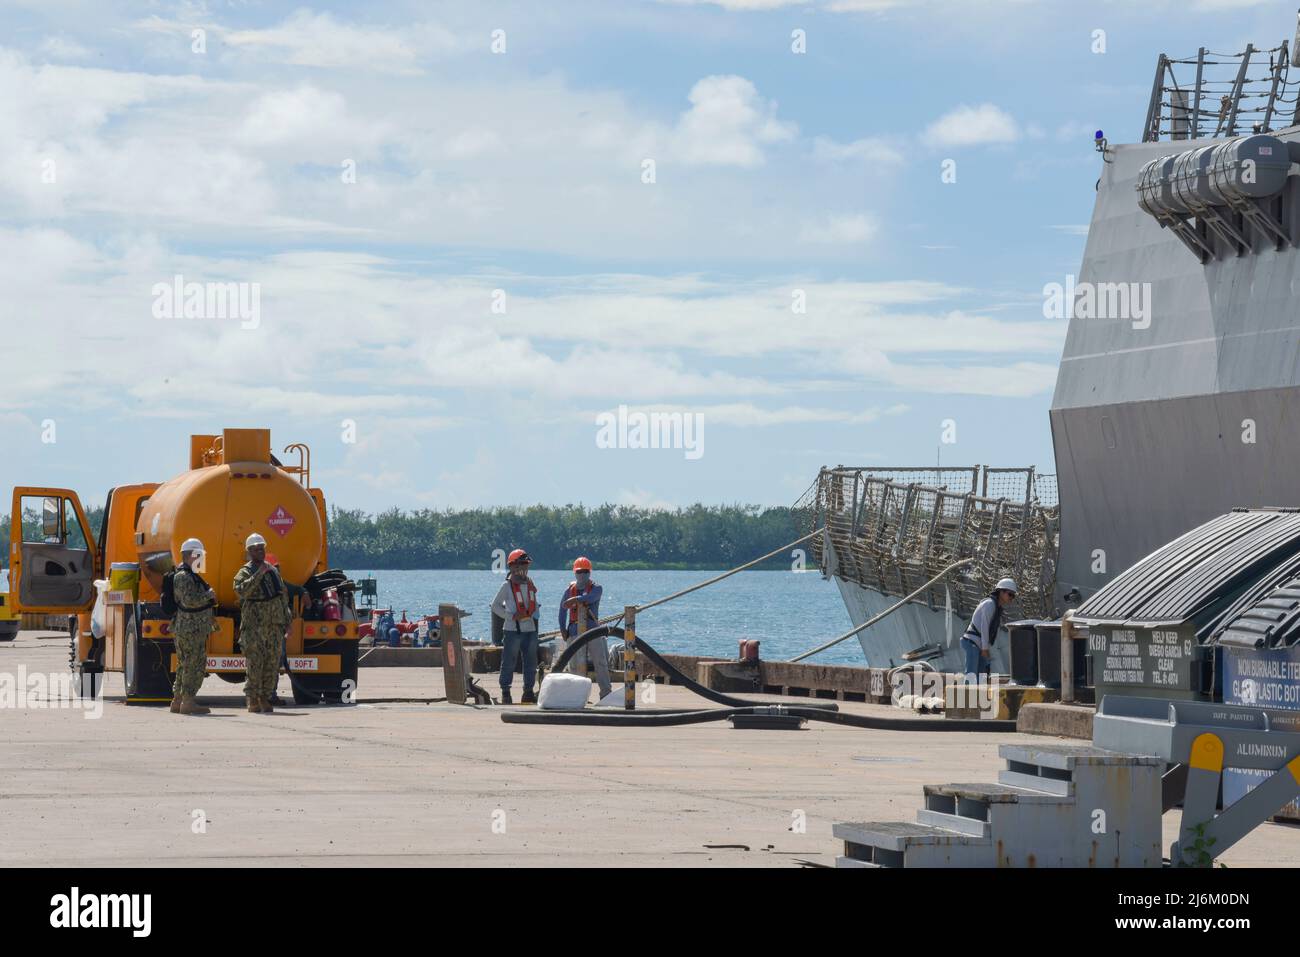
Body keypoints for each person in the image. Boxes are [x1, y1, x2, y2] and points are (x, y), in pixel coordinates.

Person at [233, 532, 292, 714]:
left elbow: (282, 596)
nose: (260, 552)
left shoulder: (273, 571)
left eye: (262, 548)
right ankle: (252, 698)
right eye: (256, 549)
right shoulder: (246, 571)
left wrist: (287, 621)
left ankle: (265, 697)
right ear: (250, 551)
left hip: (274, 626)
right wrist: (259, 573)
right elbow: (241, 591)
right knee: (255, 664)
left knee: (272, 664)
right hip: (254, 627)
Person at [171, 537, 217, 716]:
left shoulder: (191, 575)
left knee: (185, 663)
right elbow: (189, 601)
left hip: (191, 628)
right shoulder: (183, 576)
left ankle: (178, 700)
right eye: (200, 555)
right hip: (190, 629)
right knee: (193, 664)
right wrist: (208, 595)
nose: (202, 559)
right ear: (191, 555)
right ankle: (187, 701)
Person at [491, 548, 539, 705]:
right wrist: (511, 616)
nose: (523, 568)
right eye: (520, 564)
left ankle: (528, 692)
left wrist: (535, 615)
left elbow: (535, 606)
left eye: (526, 565)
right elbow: (495, 606)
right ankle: (506, 692)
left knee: (531, 662)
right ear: (512, 566)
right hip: (512, 631)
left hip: (530, 630)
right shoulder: (507, 586)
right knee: (509, 662)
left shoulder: (530, 584)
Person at [558, 556, 610, 700]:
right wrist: (563, 629)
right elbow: (562, 610)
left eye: (585, 571)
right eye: (579, 572)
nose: (582, 574)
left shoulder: (596, 588)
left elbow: (591, 598)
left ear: (590, 572)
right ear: (575, 573)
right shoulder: (569, 590)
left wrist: (576, 600)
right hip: (574, 632)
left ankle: (605, 694)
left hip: (593, 632)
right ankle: (578, 696)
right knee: (575, 666)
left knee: (600, 662)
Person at [961, 577, 1017, 681]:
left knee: (982, 675)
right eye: (1010, 594)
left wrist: (985, 648)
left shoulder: (997, 607)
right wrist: (985, 649)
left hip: (978, 643)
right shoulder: (990, 604)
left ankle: (978, 696)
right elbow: (984, 626)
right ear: (1001, 592)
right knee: (971, 674)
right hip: (972, 642)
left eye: (1013, 596)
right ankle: (967, 695)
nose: (1011, 598)